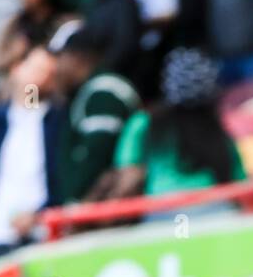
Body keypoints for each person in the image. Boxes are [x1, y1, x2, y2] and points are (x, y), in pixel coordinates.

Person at [0, 48, 64, 261]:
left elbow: (61, 179)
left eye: (46, 72)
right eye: (34, 69)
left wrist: (37, 216)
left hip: (38, 238)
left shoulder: (56, 122)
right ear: (16, 69)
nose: (39, 78)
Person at [101, 47, 245, 201]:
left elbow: (127, 176)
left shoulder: (143, 123)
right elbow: (240, 181)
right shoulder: (217, 129)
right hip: (217, 211)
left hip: (166, 214)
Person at [50, 25, 141, 202]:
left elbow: (97, 155)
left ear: (77, 57)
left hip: (102, 209)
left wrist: (77, 202)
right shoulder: (88, 92)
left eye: (60, 58)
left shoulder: (104, 89)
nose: (56, 68)